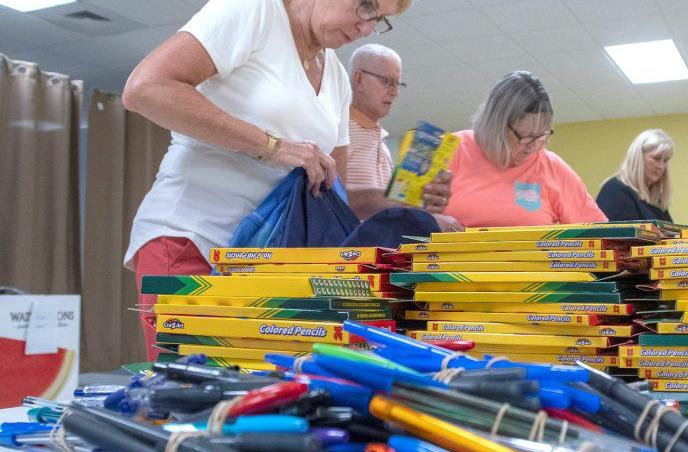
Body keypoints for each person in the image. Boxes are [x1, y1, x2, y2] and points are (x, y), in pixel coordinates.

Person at [121, 0, 410, 359]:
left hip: (265, 266)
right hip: (195, 238)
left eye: (380, 19)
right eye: (366, 6)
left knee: (257, 400)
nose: (367, 27)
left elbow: (337, 192)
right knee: (192, 397)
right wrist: (272, 147)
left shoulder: (335, 77)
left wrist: (410, 204)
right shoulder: (254, 11)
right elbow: (146, 88)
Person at [442, 71, 606, 227]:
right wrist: (431, 220)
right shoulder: (449, 149)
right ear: (496, 127)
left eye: (541, 136)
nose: (533, 147)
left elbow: (601, 233)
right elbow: (415, 215)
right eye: (525, 137)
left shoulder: (552, 167)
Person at [343, 43, 461, 231]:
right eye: (387, 81)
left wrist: (424, 203)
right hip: (345, 254)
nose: (395, 92)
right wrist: (404, 201)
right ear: (359, 80)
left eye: (398, 84)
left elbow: (383, 212)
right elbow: (332, 199)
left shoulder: (381, 141)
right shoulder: (339, 130)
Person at [596, 129, 674, 222]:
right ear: (638, 157)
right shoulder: (615, 190)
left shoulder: (656, 201)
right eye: (656, 158)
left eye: (665, 161)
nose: (661, 166)